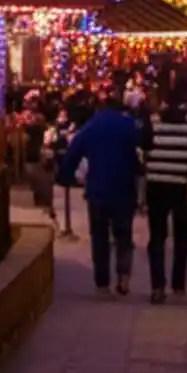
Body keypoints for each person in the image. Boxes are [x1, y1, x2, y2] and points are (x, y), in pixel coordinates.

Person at [59, 94, 141, 296]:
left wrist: (65, 176)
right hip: (123, 188)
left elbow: (73, 153)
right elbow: (140, 148)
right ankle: (123, 275)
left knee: (99, 237)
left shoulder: (91, 127)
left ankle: (102, 282)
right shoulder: (128, 124)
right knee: (123, 235)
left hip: (98, 189)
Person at [143, 89, 187, 303]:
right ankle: (179, 284)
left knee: (157, 237)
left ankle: (157, 285)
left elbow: (146, 148)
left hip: (156, 183)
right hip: (179, 184)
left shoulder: (154, 121)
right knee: (181, 237)